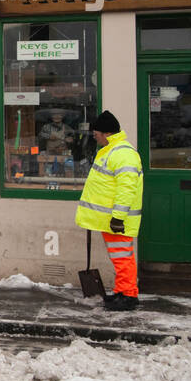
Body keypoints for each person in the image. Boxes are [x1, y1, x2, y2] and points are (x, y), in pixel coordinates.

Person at [75, 110, 144, 311]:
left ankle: (129, 296)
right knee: (120, 258)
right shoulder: (111, 151)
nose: (94, 137)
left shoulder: (122, 154)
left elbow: (127, 188)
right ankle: (123, 292)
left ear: (106, 133)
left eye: (96, 133)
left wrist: (118, 217)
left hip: (118, 220)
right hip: (111, 219)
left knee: (123, 258)